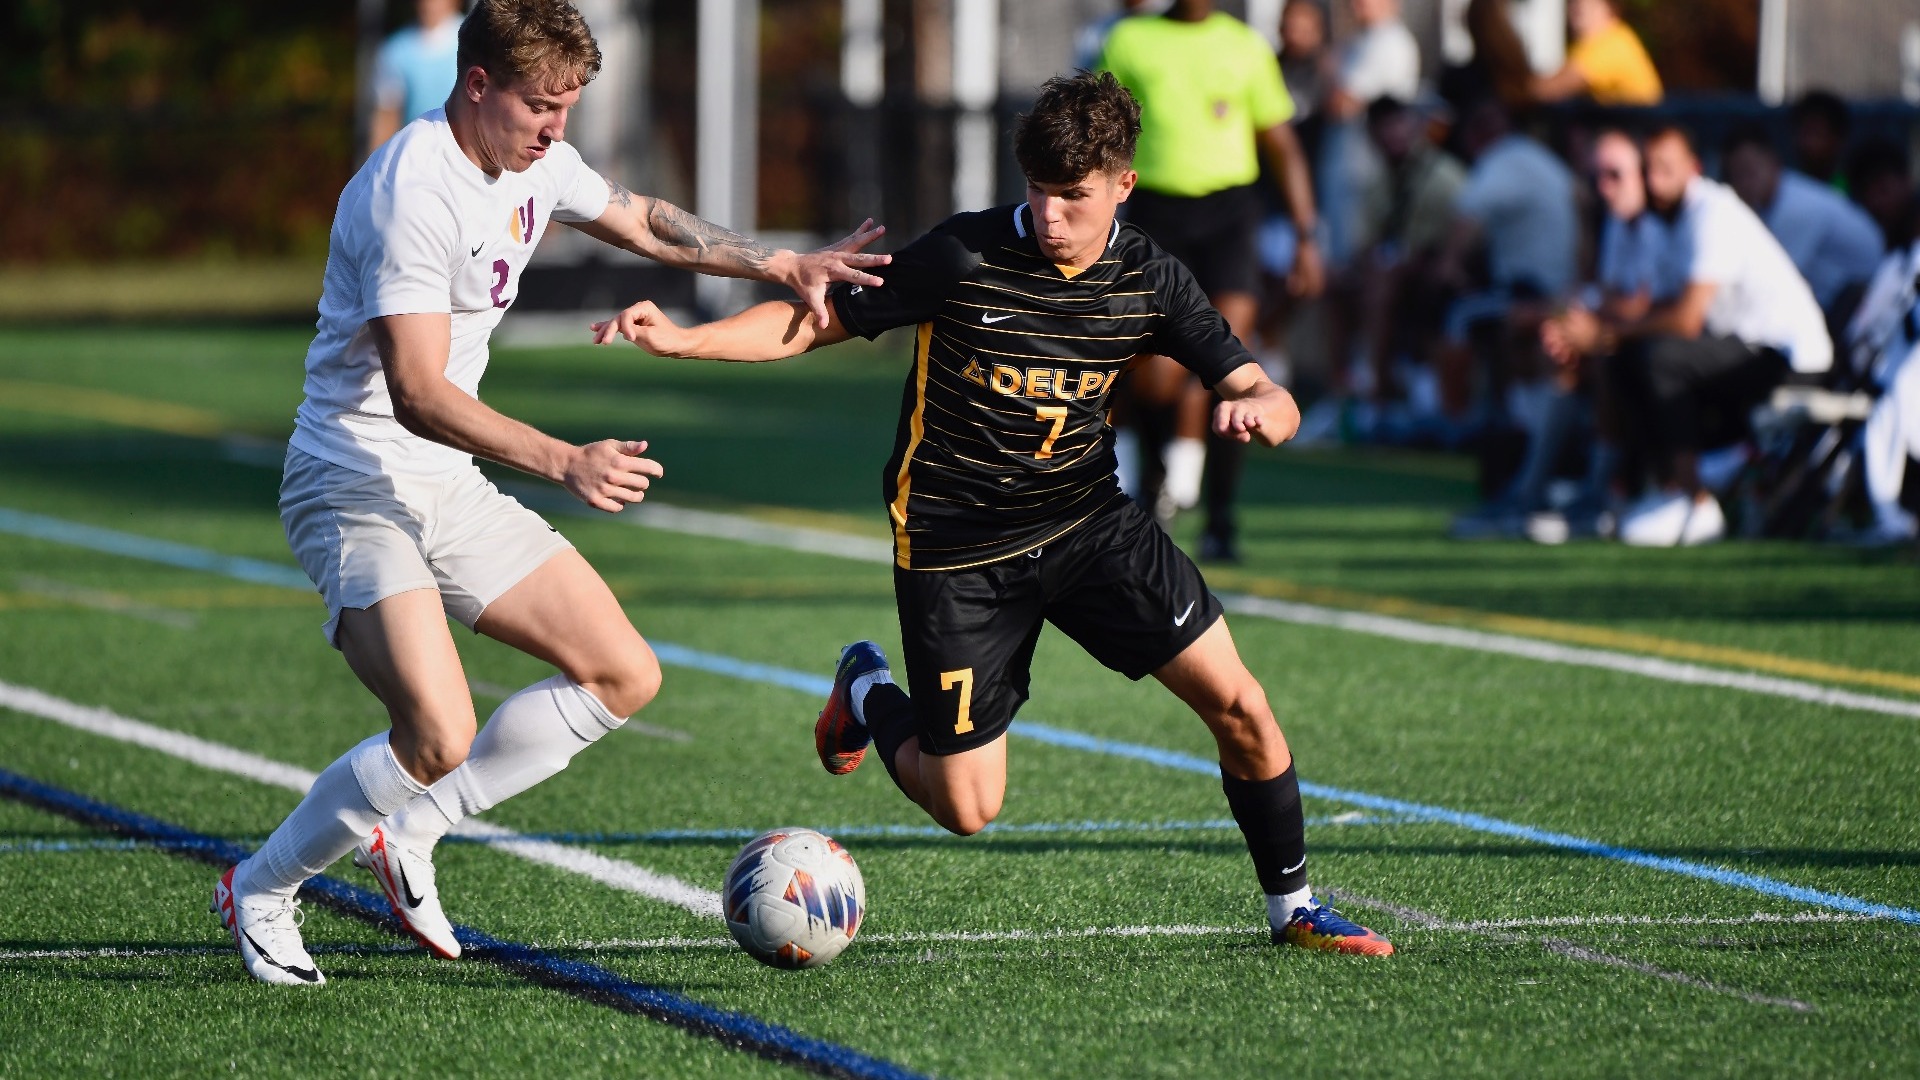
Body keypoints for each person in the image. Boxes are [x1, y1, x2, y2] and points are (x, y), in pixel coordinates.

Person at [592, 72, 1394, 956]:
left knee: (1241, 704)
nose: (1051, 215)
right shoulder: (963, 255)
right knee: (966, 807)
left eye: (1074, 197)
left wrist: (1269, 410)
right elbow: (811, 323)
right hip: (956, 546)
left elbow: (1251, 380)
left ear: (1124, 186)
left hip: (1090, 524)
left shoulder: (1151, 277)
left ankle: (1295, 911)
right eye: (1039, 192)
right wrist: (684, 338)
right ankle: (866, 687)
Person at [210, 0, 889, 986]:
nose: (556, 128)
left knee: (623, 674)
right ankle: (264, 888)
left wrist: (774, 261)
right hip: (352, 480)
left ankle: (414, 834)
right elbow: (417, 392)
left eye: (568, 106)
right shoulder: (413, 189)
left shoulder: (531, 157)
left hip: (446, 480)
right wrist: (563, 460)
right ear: (476, 83)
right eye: (540, 105)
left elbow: (642, 219)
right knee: (435, 731)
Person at [1099, 0, 1323, 562]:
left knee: (1228, 365)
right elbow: (1097, 135)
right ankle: (1152, 484)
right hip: (1156, 215)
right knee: (1153, 379)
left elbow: (1281, 143)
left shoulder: (1245, 46)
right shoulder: (1129, 40)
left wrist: (1306, 237)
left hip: (1228, 220)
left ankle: (1222, 516)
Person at [1603, 127, 1832, 546]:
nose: (1654, 180)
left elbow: (1686, 318)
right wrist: (1601, 330)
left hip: (1789, 358)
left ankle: (1696, 502)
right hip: (1744, 349)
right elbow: (1657, 305)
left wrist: (1609, 331)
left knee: (1662, 360)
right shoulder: (1668, 220)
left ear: (1692, 169)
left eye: (1665, 169)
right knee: (1627, 357)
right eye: (1648, 169)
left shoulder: (1712, 213)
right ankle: (1657, 488)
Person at [1436, 97, 1577, 537]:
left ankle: (1453, 422)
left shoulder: (1503, 161)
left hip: (1541, 291)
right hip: (1561, 292)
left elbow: (1468, 217)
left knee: (1459, 318)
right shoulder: (1540, 162)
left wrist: (1451, 264)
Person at [1533, 129, 1675, 542]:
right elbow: (1606, 290)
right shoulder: (1615, 223)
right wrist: (1575, 322)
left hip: (1678, 344)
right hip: (1640, 336)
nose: (1604, 187)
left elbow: (1648, 303)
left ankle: (1602, 490)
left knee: (1606, 357)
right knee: (1561, 344)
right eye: (1598, 178)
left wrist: (1592, 329)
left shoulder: (1658, 223)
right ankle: (1543, 484)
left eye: (1616, 175)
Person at [1722, 128, 1883, 315]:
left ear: (1774, 162)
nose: (1746, 183)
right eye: (1737, 176)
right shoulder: (1770, 202)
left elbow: (1773, 283)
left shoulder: (1797, 207)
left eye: (1750, 171)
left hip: (1867, 301)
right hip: (1843, 300)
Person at [369, 0, 466, 154]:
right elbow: (387, 116)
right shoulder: (395, 51)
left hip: (464, 156)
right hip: (415, 156)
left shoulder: (473, 43)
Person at [1530, 0, 1661, 106]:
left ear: (1611, 10)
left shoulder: (1614, 42)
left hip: (1641, 132)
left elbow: (1558, 85)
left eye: (1591, 4)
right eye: (1574, 2)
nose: (1579, 6)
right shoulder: (1584, 47)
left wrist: (1518, 91)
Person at [1791, 91, 1852, 192]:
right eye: (1805, 133)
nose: (1808, 142)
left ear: (1837, 140)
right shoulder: (1785, 187)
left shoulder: (1849, 189)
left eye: (1816, 133)